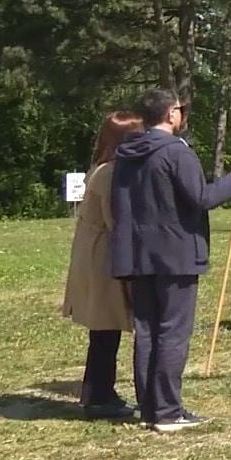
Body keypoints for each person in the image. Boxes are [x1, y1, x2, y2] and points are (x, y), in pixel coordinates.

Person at [109, 89, 231, 431]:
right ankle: (168, 411)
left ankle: (151, 408)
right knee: (172, 332)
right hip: (175, 255)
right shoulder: (176, 153)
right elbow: (201, 198)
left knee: (146, 331)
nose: (182, 114)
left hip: (139, 254)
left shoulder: (127, 154)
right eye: (180, 109)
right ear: (171, 114)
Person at [62, 111, 143, 420]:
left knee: (104, 329)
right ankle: (98, 395)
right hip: (102, 258)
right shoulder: (110, 173)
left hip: (94, 253)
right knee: (105, 327)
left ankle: (97, 390)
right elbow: (117, 221)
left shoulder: (103, 167)